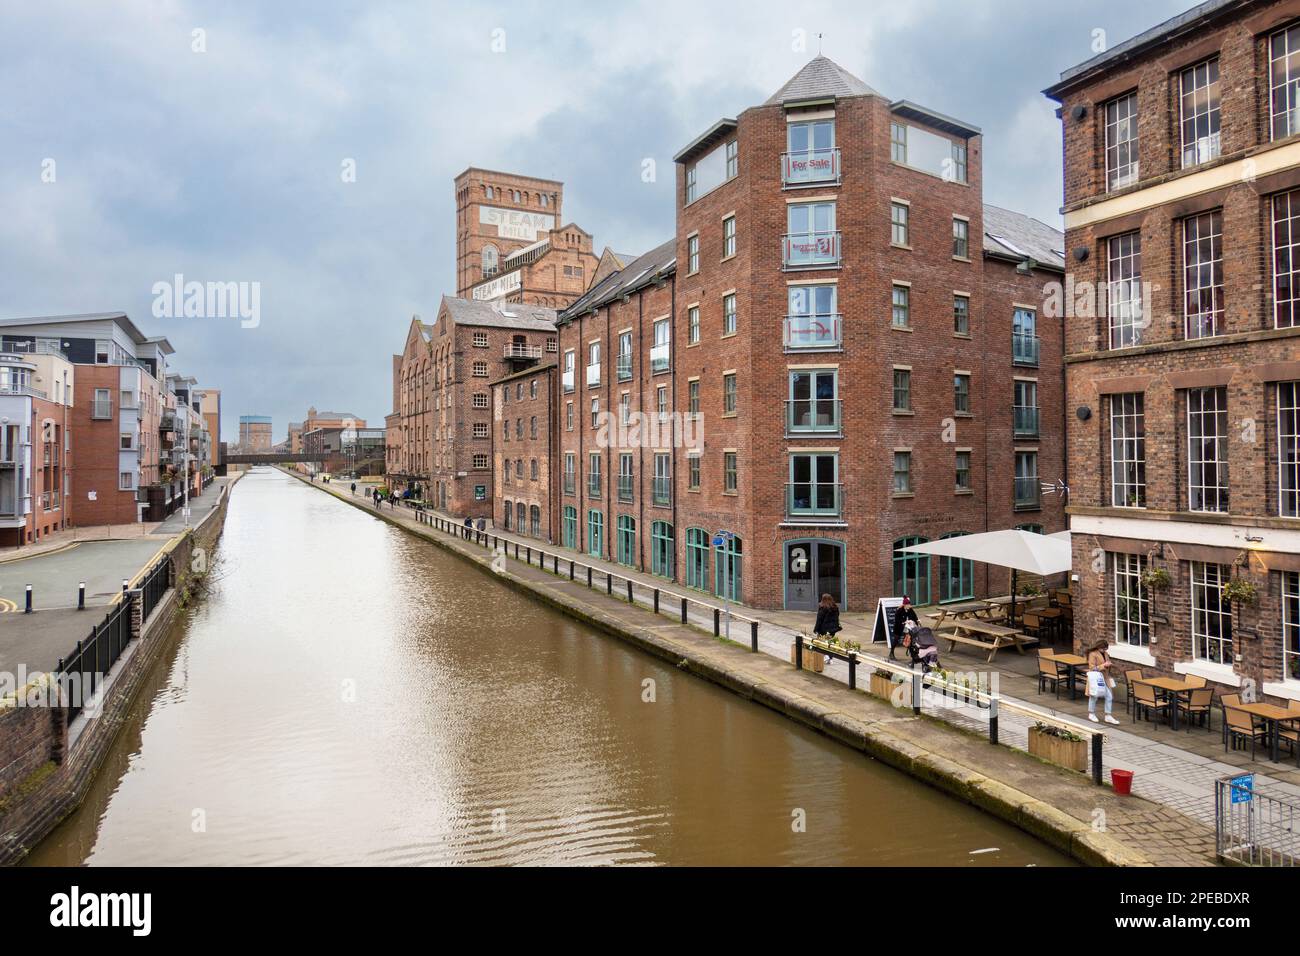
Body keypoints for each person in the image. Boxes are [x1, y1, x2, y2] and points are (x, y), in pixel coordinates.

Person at [1086, 640, 1120, 725]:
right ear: (1099, 647)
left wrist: (1110, 665)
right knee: (1094, 696)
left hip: (1105, 678)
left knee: (1109, 696)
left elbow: (1106, 664)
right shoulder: (1092, 654)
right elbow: (1092, 668)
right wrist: (1104, 666)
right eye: (1103, 649)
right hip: (1096, 679)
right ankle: (1091, 713)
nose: (1105, 651)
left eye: (1106, 649)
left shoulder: (1105, 654)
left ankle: (1108, 716)